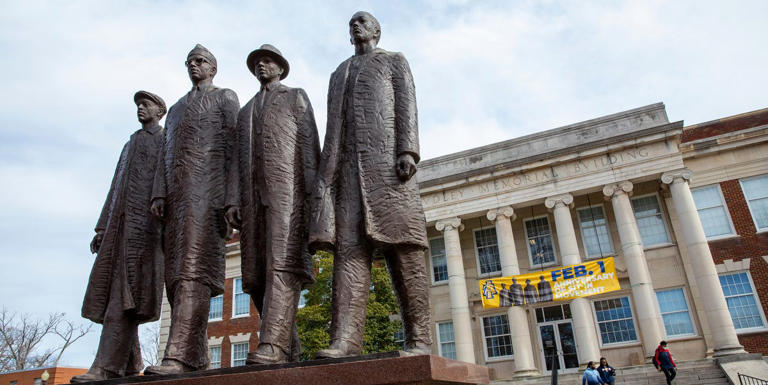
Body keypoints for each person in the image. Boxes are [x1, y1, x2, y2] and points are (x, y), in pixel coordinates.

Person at [309, 11, 432, 358]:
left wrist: (408, 150)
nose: (356, 26)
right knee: (349, 255)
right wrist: (326, 178)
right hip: (347, 175)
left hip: (389, 170)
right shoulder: (339, 73)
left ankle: (420, 339)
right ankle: (345, 340)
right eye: (351, 24)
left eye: (362, 21)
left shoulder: (394, 61)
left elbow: (406, 104)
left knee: (405, 250)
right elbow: (333, 127)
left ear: (377, 30)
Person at [145, 44, 240, 375]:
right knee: (175, 278)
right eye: (190, 62)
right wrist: (159, 193)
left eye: (200, 61)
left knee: (193, 272)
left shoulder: (225, 98)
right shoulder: (175, 109)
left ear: (213, 67)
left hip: (208, 199)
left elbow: (235, 151)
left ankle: (177, 356)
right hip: (176, 203)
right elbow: (164, 155)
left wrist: (232, 199)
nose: (194, 65)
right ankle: (197, 357)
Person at [228, 44, 320, 364]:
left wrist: (316, 196)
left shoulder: (295, 97)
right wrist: (232, 200)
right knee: (255, 276)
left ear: (280, 68)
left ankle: (273, 345)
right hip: (252, 202)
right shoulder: (245, 111)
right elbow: (235, 161)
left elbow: (309, 147)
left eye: (268, 61)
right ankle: (289, 347)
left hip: (288, 197)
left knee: (282, 265)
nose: (262, 66)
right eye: (257, 63)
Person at [72, 91, 167, 383]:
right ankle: (129, 362)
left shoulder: (165, 139)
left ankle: (106, 366)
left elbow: (166, 183)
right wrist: (102, 228)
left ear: (160, 111)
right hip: (119, 232)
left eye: (146, 104)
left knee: (125, 297)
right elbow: (115, 189)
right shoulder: (130, 144)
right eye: (138, 104)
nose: (141, 108)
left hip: (146, 232)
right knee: (118, 296)